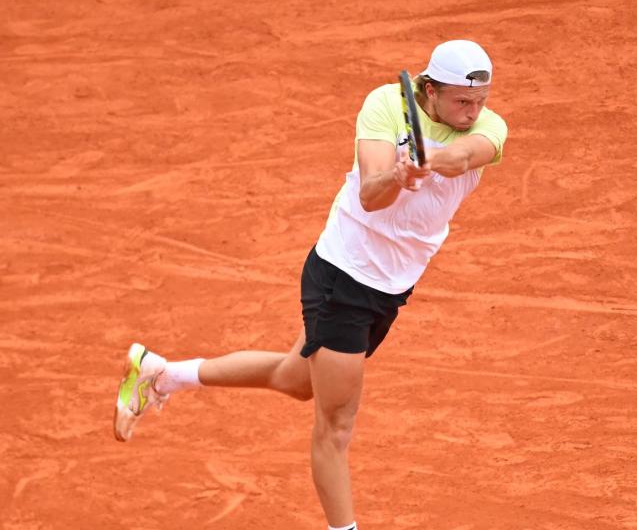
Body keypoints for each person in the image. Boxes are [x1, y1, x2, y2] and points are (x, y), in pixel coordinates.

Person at [113, 39, 508, 530]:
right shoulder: (385, 104)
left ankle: (161, 373)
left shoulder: (490, 127)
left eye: (480, 102)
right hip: (343, 276)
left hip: (392, 285)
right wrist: (398, 175)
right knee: (335, 428)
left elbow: (468, 155)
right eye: (461, 101)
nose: (472, 112)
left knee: (294, 380)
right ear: (428, 89)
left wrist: (432, 159)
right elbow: (369, 195)